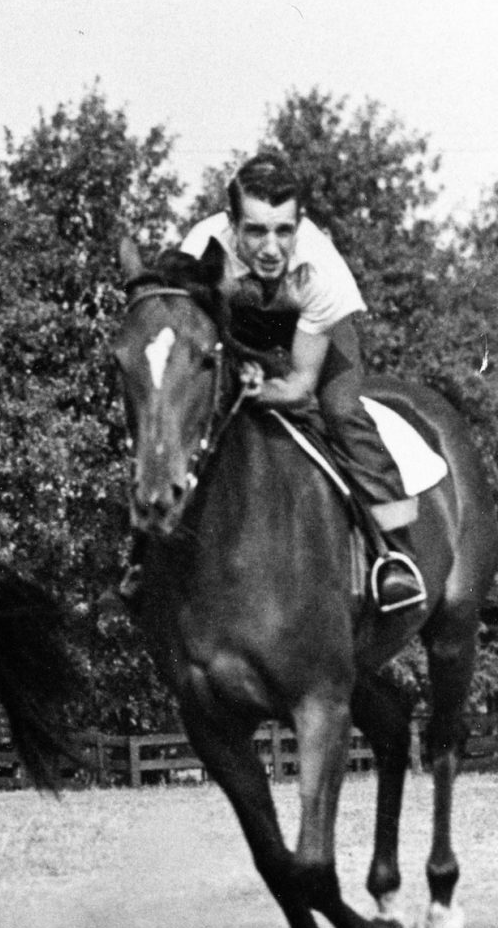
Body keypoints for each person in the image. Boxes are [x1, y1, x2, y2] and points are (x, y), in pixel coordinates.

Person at [170, 150, 425, 613]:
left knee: (342, 413)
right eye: (255, 230)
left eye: (284, 231)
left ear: (300, 223)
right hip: (242, 328)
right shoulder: (201, 252)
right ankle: (141, 558)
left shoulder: (321, 274)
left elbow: (298, 386)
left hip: (312, 339)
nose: (271, 249)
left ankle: (396, 553)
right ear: (231, 222)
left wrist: (255, 389)